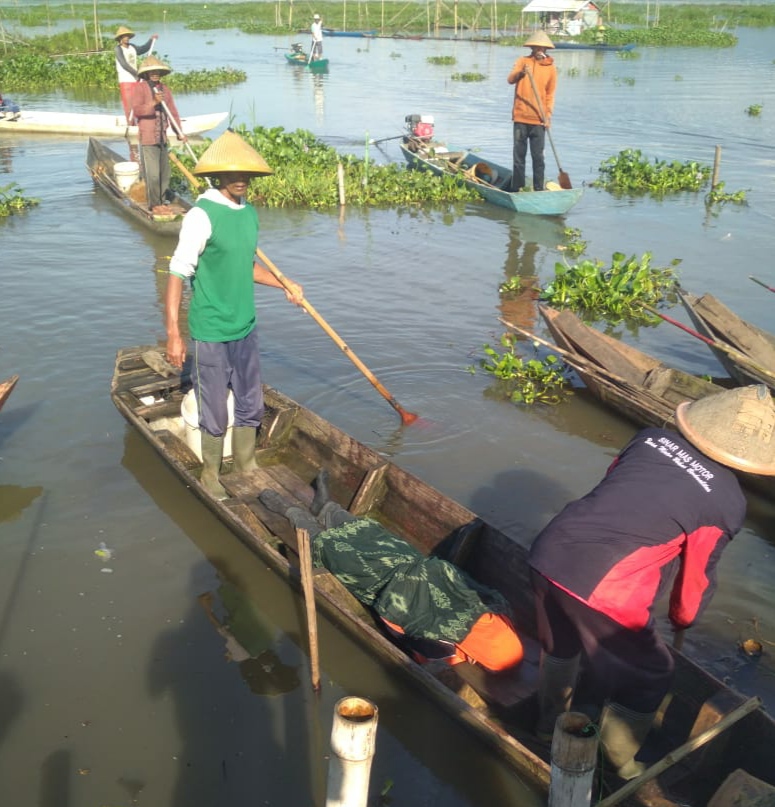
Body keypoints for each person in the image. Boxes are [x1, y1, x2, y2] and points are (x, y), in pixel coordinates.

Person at [527, 384, 775, 780]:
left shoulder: (651, 438)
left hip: (548, 552)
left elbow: (614, 490)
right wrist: (683, 620)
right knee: (653, 673)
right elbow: (695, 581)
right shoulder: (728, 502)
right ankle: (614, 763)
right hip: (602, 588)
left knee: (562, 644)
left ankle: (546, 728)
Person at [258, 471, 524, 673]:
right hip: (402, 574)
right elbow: (444, 584)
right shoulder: (463, 631)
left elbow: (449, 583)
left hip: (398, 574)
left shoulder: (484, 616)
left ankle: (298, 512)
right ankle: (321, 510)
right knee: (359, 541)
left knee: (355, 543)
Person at [165, 129, 304, 500]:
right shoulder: (201, 215)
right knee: (212, 403)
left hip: (246, 325)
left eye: (247, 175)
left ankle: (245, 463)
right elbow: (178, 273)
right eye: (233, 174)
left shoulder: (249, 214)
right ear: (218, 176)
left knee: (249, 398)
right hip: (211, 328)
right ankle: (211, 472)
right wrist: (174, 334)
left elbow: (247, 267)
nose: (241, 180)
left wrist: (285, 283)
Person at [131, 56, 185, 212]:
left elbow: (173, 113)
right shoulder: (140, 89)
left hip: (162, 137)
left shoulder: (165, 90)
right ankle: (154, 205)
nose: (155, 74)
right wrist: (153, 102)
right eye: (152, 72)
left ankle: (162, 201)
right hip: (148, 138)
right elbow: (138, 111)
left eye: (158, 72)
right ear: (147, 74)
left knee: (164, 174)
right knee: (153, 175)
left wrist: (179, 132)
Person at [506, 31, 557, 192]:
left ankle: (538, 189)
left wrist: (547, 116)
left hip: (539, 119)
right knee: (519, 157)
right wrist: (521, 73)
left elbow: (550, 94)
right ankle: (517, 189)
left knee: (538, 158)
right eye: (536, 47)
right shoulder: (523, 61)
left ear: (546, 49)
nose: (539, 50)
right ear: (532, 48)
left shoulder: (550, 68)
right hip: (521, 118)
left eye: (541, 48)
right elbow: (510, 79)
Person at [113, 25, 157, 124]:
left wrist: (151, 40)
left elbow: (143, 49)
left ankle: (140, 122)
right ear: (120, 38)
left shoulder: (132, 47)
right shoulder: (118, 49)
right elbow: (124, 64)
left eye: (128, 36)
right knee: (128, 104)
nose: (127, 38)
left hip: (135, 80)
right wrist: (137, 74)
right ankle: (130, 123)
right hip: (125, 80)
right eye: (124, 36)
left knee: (137, 103)